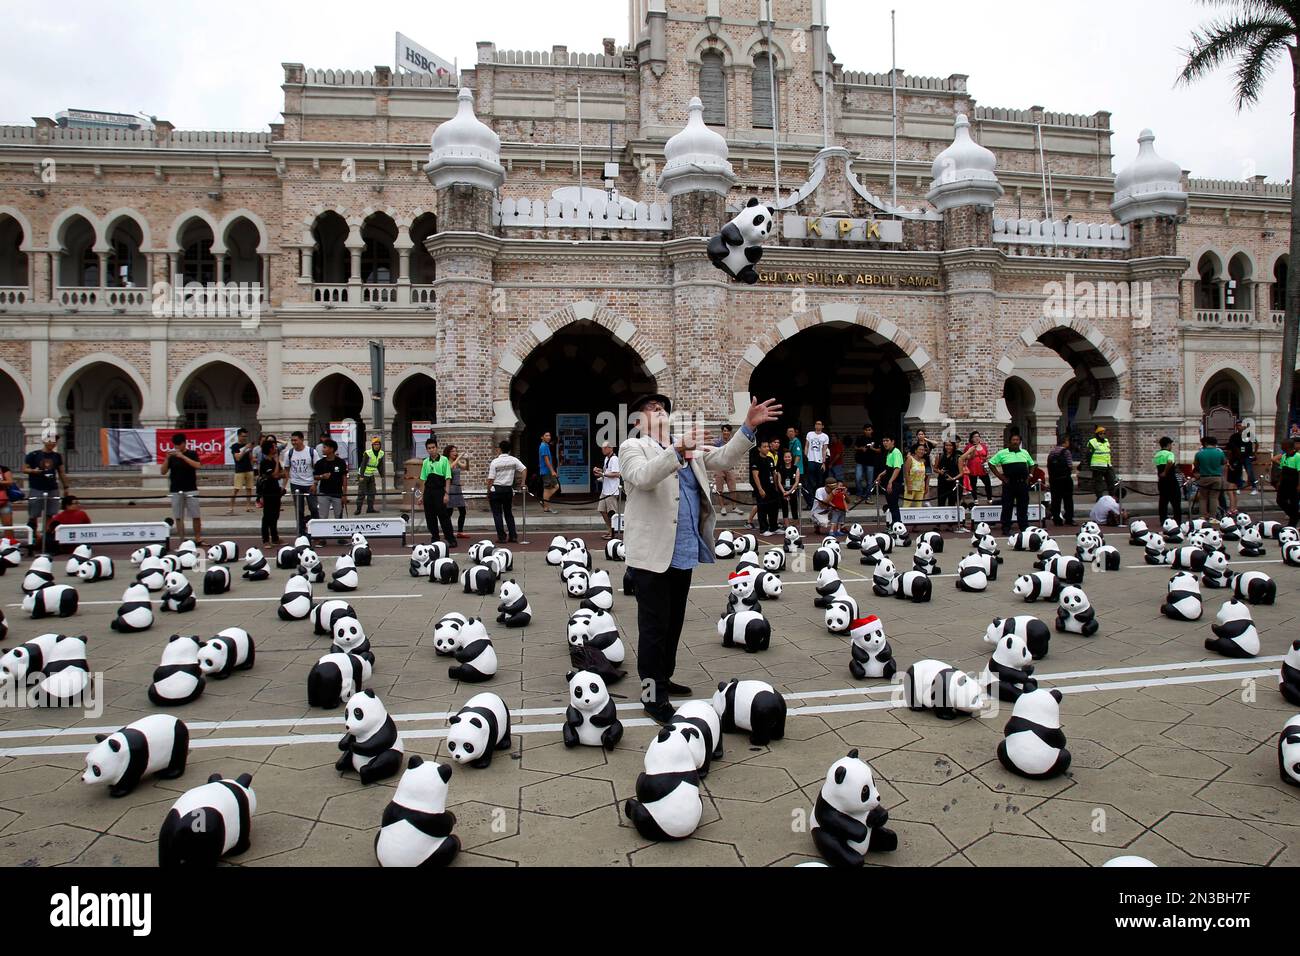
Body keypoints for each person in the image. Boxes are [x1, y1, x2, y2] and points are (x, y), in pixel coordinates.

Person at [620, 392, 776, 722]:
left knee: (674, 623)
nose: (659, 411)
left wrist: (746, 427)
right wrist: (677, 450)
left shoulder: (686, 447)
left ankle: (663, 679)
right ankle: (651, 694)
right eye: (651, 409)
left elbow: (722, 459)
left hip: (685, 550)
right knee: (653, 628)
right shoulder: (633, 448)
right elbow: (644, 477)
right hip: (651, 556)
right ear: (637, 421)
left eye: (663, 408)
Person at [24, 433, 68, 547]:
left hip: (52, 487)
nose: (52, 443)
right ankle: (33, 537)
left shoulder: (57, 456)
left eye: (54, 441)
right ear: (44, 441)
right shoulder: (33, 455)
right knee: (34, 514)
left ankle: (47, 538)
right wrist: (34, 471)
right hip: (37, 487)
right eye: (50, 441)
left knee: (50, 514)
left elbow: (61, 471)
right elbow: (24, 469)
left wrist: (66, 486)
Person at [988, 432, 1035, 536]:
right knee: (1007, 506)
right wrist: (1001, 477)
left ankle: (1023, 527)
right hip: (1009, 483)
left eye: (1017, 440)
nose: (1015, 442)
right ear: (1010, 441)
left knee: (1023, 506)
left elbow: (1032, 464)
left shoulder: (1024, 452)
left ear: (1020, 442)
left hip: (1022, 483)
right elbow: (991, 463)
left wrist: (1030, 476)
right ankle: (1006, 528)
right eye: (1013, 440)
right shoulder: (1002, 453)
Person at [161, 433, 203, 544]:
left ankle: (198, 538)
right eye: (175, 445)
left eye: (179, 445)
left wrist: (183, 456)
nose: (177, 448)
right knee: (178, 517)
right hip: (175, 489)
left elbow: (198, 465)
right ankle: (182, 540)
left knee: (196, 515)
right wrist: (166, 459)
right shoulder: (172, 457)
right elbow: (163, 471)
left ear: (184, 443)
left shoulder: (192, 453)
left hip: (190, 488)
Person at [486, 440, 527, 543]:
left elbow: (491, 479)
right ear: (509, 450)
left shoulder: (495, 462)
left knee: (497, 514)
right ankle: (513, 536)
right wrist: (523, 483)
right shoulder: (513, 460)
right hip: (508, 489)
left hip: (496, 489)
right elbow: (524, 469)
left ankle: (502, 537)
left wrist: (488, 491)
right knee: (508, 513)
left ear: (499, 449)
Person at [419, 438, 457, 549]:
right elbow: (423, 479)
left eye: (433, 447)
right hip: (428, 492)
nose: (431, 450)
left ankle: (450, 539)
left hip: (440, 491)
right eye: (429, 448)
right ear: (427, 450)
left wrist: (446, 494)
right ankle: (435, 538)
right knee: (430, 518)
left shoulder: (444, 460)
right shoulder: (425, 461)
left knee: (444, 517)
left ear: (437, 448)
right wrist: (421, 495)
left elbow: (448, 478)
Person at [282, 432, 320, 535]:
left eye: (296, 440)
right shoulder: (289, 454)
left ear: (302, 440)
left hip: (309, 483)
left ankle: (316, 532)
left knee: (313, 508)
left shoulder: (312, 452)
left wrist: (315, 483)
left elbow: (318, 468)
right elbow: (286, 469)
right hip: (295, 484)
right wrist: (284, 485)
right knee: (299, 509)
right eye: (292, 440)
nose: (294, 442)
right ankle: (301, 532)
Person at [256, 435, 285, 545]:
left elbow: (282, 474)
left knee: (275, 515)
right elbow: (274, 474)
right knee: (267, 516)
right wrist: (277, 462)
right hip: (267, 491)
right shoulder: (265, 462)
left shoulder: (273, 461)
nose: (276, 448)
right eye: (274, 447)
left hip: (276, 490)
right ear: (269, 449)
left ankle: (275, 537)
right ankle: (266, 539)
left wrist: (278, 472)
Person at [1192, 435, 1227, 520]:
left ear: (1206, 443)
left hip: (1204, 477)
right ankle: (1213, 516)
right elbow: (1224, 462)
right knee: (1214, 497)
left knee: (1203, 498)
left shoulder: (1199, 454)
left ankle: (1203, 516)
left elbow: (1196, 465)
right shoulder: (1219, 453)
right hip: (1216, 477)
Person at [312, 439, 349, 521]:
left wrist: (344, 494)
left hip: (337, 493)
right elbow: (315, 476)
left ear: (332, 449)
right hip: (323, 493)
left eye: (325, 447)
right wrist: (322, 476)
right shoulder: (320, 463)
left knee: (338, 517)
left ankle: (339, 533)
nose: (322, 449)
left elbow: (344, 478)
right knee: (323, 517)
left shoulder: (341, 462)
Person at [750, 439, 780, 536]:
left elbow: (773, 473)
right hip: (762, 488)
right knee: (762, 509)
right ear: (759, 448)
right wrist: (760, 489)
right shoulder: (756, 460)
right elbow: (755, 475)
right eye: (764, 447)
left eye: (768, 446)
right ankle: (763, 529)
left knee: (774, 508)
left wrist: (776, 487)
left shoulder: (770, 459)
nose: (767, 448)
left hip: (771, 488)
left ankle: (774, 527)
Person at [1046, 433, 1076, 527]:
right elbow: (1070, 465)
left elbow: (1048, 465)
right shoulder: (1066, 452)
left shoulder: (1052, 452)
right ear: (1065, 442)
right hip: (1065, 479)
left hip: (1054, 480)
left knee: (1056, 500)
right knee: (1068, 500)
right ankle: (1069, 518)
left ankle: (1057, 519)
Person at [594, 440, 622, 539]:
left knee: (612, 513)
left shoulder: (614, 459)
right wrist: (600, 471)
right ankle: (610, 530)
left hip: (612, 490)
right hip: (605, 489)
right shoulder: (607, 458)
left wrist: (603, 474)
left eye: (605, 448)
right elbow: (607, 471)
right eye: (602, 448)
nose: (603, 450)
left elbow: (617, 474)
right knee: (602, 510)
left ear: (610, 448)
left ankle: (613, 533)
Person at [227, 428, 256, 515]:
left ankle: (248, 506)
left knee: (249, 488)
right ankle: (231, 507)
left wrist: (250, 450)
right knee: (236, 489)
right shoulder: (235, 446)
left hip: (248, 468)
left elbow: (251, 459)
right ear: (239, 436)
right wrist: (244, 449)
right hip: (239, 470)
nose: (244, 438)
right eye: (243, 436)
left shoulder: (247, 445)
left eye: (246, 436)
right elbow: (238, 458)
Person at [1154, 436, 1182, 525]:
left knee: (1163, 501)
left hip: (1161, 481)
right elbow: (1170, 462)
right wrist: (1165, 472)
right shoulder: (1170, 454)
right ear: (1168, 445)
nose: (1171, 446)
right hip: (1171, 480)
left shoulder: (1157, 455)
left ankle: (1163, 520)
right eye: (1171, 444)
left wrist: (1162, 473)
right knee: (1176, 501)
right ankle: (1177, 520)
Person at [1226, 420, 1257, 496]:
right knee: (1238, 472)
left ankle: (1254, 487)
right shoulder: (1234, 436)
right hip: (1237, 457)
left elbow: (1256, 443)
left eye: (1241, 425)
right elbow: (1230, 448)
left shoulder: (1249, 434)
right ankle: (1238, 487)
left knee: (1249, 472)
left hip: (1247, 456)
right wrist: (1229, 458)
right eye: (1238, 425)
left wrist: (1254, 453)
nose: (1239, 427)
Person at [1273, 438, 1300, 527]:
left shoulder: (1297, 457)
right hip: (1284, 482)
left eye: (1283, 445)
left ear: (1288, 446)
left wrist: (1299, 485)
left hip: (1293, 483)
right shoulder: (1284, 456)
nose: (1281, 446)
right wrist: (1279, 482)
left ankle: (1293, 523)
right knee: (1280, 500)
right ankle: (1295, 515)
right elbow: (1282, 470)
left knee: (1294, 503)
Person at [712, 424, 738, 515]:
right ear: (722, 432)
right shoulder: (717, 442)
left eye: (727, 431)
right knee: (720, 490)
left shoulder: (733, 442)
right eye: (724, 431)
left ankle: (734, 507)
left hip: (729, 467)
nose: (726, 432)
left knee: (733, 489)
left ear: (730, 432)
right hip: (719, 467)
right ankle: (722, 507)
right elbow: (713, 453)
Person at [355, 436, 385, 515]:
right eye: (375, 444)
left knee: (372, 492)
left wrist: (382, 475)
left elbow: (380, 465)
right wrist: (361, 476)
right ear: (372, 445)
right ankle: (358, 509)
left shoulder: (381, 453)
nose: (376, 445)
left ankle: (370, 508)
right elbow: (363, 464)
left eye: (378, 444)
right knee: (362, 492)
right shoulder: (368, 453)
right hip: (363, 474)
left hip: (371, 474)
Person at [1087, 426, 1118, 500]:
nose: (1103, 435)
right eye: (1101, 433)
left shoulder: (1106, 441)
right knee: (1098, 483)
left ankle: (1112, 497)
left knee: (1111, 481)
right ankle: (1099, 497)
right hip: (1097, 466)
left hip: (1107, 465)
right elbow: (1088, 455)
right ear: (1097, 434)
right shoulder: (1092, 442)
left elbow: (1107, 453)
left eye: (1104, 433)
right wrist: (1090, 465)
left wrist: (1109, 465)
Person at [879, 436, 904, 525]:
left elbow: (897, 468)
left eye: (887, 440)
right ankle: (894, 524)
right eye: (883, 441)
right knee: (892, 505)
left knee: (894, 505)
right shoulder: (889, 453)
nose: (885, 443)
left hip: (895, 483)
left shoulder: (896, 452)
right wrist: (880, 475)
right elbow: (889, 469)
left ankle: (898, 525)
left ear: (892, 441)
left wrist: (890, 482)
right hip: (889, 482)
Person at [935, 441, 960, 528]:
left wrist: (953, 478)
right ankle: (938, 523)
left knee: (951, 502)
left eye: (950, 445)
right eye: (946, 445)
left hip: (952, 482)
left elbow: (961, 472)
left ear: (953, 446)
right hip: (942, 481)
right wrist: (939, 471)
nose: (948, 447)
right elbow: (935, 468)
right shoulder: (940, 456)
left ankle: (950, 523)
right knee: (941, 501)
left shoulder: (957, 457)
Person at [804, 421, 829, 508]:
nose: (818, 425)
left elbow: (824, 450)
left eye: (819, 424)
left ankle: (820, 502)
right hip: (810, 460)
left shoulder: (825, 436)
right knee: (810, 483)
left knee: (819, 483)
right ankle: (810, 503)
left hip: (819, 461)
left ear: (822, 426)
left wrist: (823, 462)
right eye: (816, 424)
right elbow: (806, 446)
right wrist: (805, 458)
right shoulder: (810, 434)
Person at [961, 432, 992, 501]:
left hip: (982, 467)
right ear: (971, 438)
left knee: (987, 483)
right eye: (975, 436)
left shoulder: (983, 446)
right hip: (973, 467)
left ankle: (989, 498)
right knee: (973, 483)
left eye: (978, 436)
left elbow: (986, 455)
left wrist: (985, 459)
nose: (977, 438)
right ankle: (975, 499)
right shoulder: (969, 446)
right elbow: (965, 457)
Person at [446, 445, 468, 538]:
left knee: (462, 511)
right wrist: (459, 457)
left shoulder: (457, 461)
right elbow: (450, 468)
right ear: (448, 453)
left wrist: (467, 460)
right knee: (449, 512)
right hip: (450, 488)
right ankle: (448, 531)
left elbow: (466, 468)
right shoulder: (446, 461)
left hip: (458, 488)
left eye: (456, 451)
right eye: (453, 451)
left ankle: (460, 531)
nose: (455, 453)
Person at [777, 449, 801, 528]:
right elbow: (779, 482)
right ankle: (787, 526)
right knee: (784, 508)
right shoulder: (780, 468)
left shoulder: (796, 468)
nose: (787, 458)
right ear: (783, 458)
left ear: (791, 458)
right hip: (783, 490)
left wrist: (790, 491)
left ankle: (796, 525)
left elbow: (796, 482)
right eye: (786, 457)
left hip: (792, 490)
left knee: (794, 507)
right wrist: (784, 491)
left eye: (789, 457)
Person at [855, 425, 879, 500]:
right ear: (864, 431)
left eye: (869, 430)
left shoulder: (875, 439)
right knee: (858, 478)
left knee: (869, 481)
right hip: (860, 462)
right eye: (866, 430)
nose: (868, 431)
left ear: (872, 431)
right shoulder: (860, 438)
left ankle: (868, 496)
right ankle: (859, 494)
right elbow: (855, 447)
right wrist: (861, 448)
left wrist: (872, 448)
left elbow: (879, 450)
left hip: (870, 462)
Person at [538, 431, 558, 513]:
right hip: (546, 471)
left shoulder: (546, 445)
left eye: (549, 435)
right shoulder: (543, 446)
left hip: (548, 471)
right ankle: (545, 503)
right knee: (549, 488)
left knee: (553, 487)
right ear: (542, 437)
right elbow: (546, 461)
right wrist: (552, 471)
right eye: (546, 435)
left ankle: (545, 504)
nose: (548, 437)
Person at [0, 464, 14, 530]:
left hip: (3, 499)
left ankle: (9, 539)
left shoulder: (3, 468)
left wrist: (1, 482)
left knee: (7, 524)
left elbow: (10, 482)